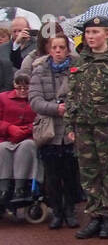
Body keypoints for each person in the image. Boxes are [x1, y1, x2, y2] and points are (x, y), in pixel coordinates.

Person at [64, 17, 108, 239]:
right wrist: (70, 124)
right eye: (88, 33)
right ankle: (95, 216)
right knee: (89, 173)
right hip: (84, 126)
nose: (91, 37)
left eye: (95, 32)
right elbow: (72, 95)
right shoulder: (79, 61)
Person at [28, 32, 82, 229]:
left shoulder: (77, 69)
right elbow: (34, 99)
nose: (58, 51)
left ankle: (70, 210)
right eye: (54, 48)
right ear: (49, 50)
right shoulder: (39, 70)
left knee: (70, 173)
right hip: (49, 130)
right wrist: (54, 108)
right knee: (52, 175)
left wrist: (68, 107)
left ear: (67, 50)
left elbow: (81, 94)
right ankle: (57, 212)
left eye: (62, 48)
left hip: (70, 129)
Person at [0, 71, 38, 210]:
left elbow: (40, 120)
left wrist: (26, 130)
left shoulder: (36, 100)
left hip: (28, 137)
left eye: (26, 88)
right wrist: (9, 128)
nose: (22, 91)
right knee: (2, 149)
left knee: (27, 146)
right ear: (14, 86)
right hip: (5, 137)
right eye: (19, 87)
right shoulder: (2, 98)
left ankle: (20, 188)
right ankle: (3, 189)